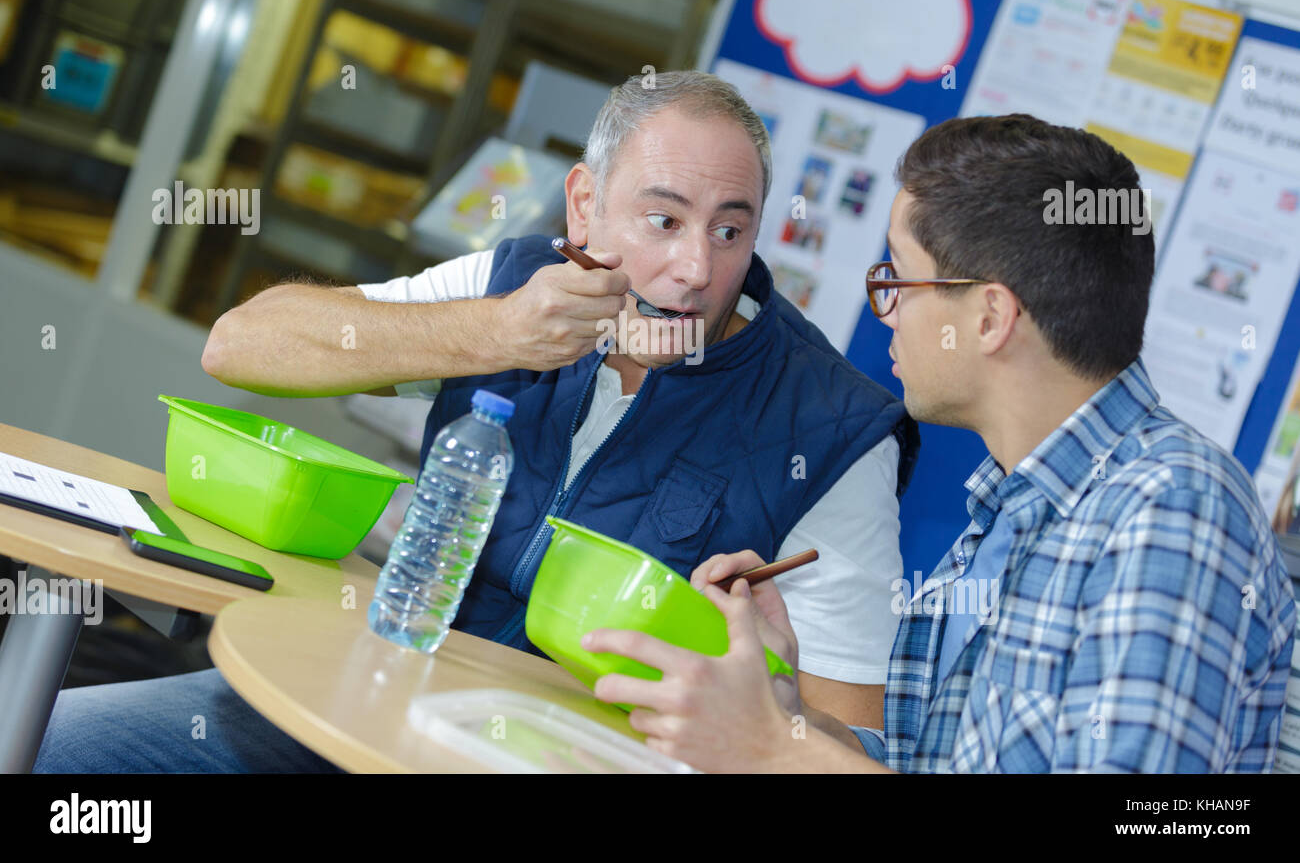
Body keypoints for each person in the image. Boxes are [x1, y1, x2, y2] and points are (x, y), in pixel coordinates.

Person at [34, 71, 917, 772]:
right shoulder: (517, 283)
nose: (695, 268)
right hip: (366, 698)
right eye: (663, 219)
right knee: (52, 744)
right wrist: (492, 331)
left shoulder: (835, 429)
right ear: (583, 205)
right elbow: (241, 345)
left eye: (732, 231)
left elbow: (850, 747)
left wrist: (778, 706)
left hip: (566, 765)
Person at [582, 114, 1298, 773]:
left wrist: (771, 753)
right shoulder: (1010, 513)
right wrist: (786, 716)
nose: (886, 311)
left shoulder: (1171, 510)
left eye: (898, 277)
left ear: (989, 317)